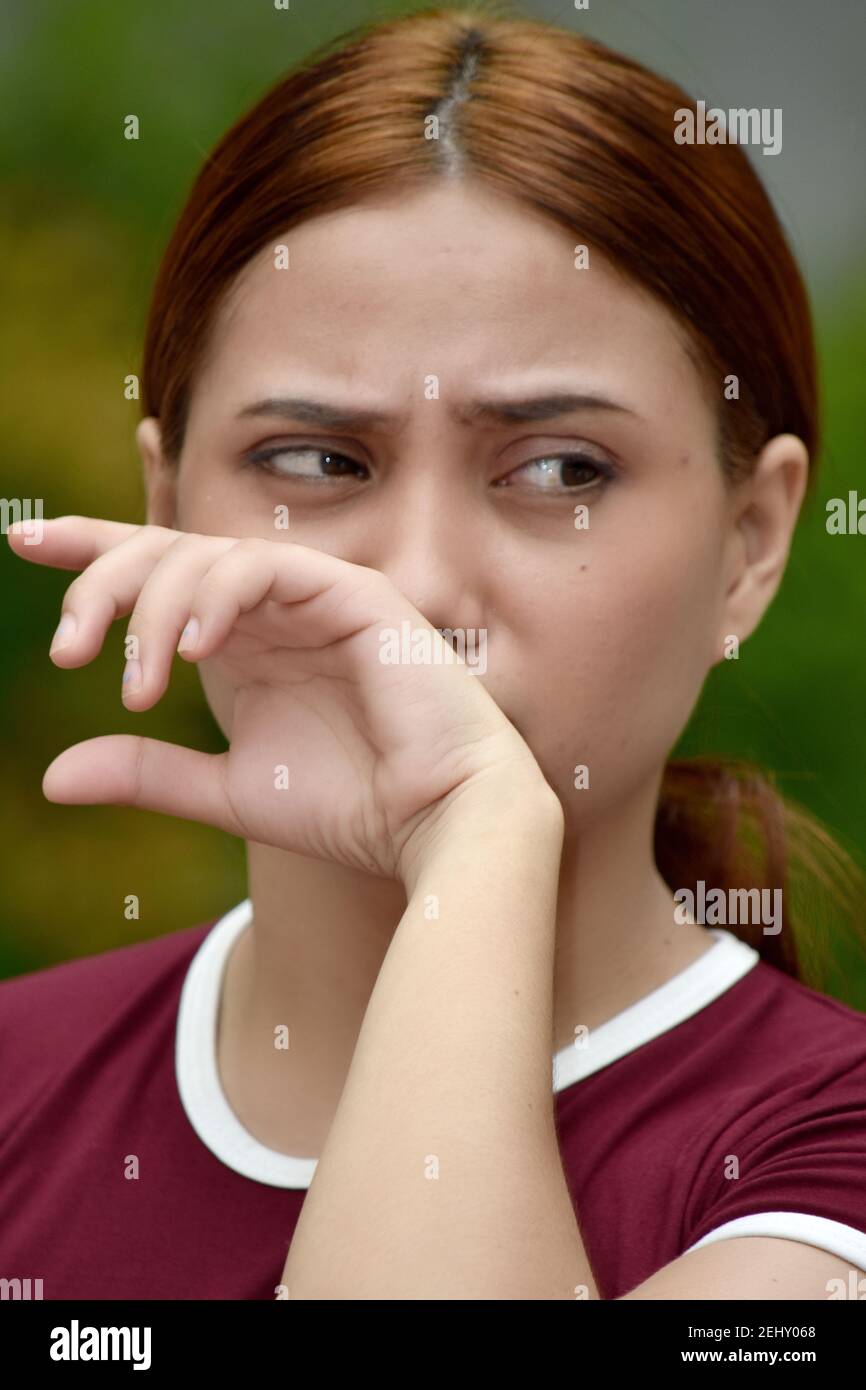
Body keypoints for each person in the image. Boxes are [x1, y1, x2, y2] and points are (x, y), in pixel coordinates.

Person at [3, 6, 866, 1301]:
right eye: (312, 461)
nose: (411, 584)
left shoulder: (822, 1160)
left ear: (748, 544)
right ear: (168, 506)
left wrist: (474, 836)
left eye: (560, 467)